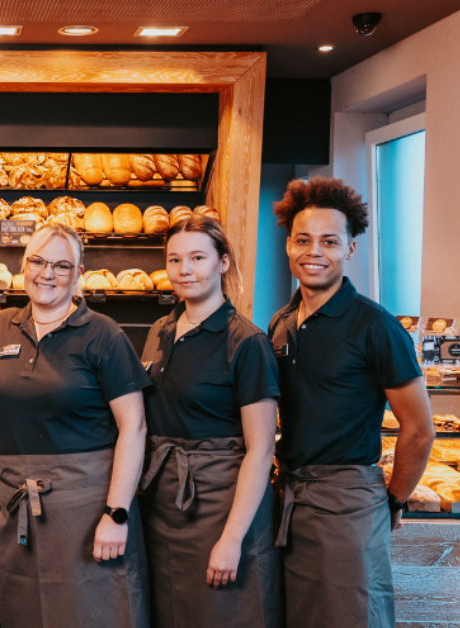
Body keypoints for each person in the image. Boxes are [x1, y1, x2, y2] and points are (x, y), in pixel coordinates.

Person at [268, 177, 434, 628]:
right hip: (289, 496)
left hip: (348, 500)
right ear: (288, 245)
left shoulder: (376, 327)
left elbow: (419, 430)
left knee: (351, 617)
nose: (314, 251)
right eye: (303, 239)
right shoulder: (281, 322)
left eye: (329, 241)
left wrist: (393, 502)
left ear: (350, 249)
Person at [0, 224, 151, 628]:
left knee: (95, 613)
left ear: (78, 273)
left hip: (88, 509)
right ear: (24, 265)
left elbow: (134, 426)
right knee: (28, 611)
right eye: (38, 262)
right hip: (20, 504)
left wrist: (117, 513)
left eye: (61, 265)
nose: (47, 274)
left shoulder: (103, 334)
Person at [138, 216, 281, 628]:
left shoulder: (246, 342)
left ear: (223, 263)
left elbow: (261, 450)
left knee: (224, 613)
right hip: (164, 503)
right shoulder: (160, 330)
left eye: (198, 258)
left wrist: (232, 539)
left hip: (223, 505)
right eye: (174, 259)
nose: (184, 269)